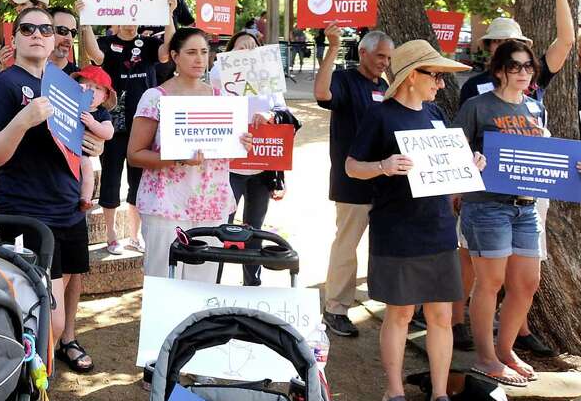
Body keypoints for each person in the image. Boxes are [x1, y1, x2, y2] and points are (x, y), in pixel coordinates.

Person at [345, 40, 477, 401]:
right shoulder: (380, 115)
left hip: (438, 227)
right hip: (396, 227)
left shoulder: (435, 113)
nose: (440, 83)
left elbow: (447, 168)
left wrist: (470, 166)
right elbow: (351, 167)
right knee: (400, 312)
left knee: (441, 313)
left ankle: (440, 394)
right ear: (411, 76)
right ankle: (394, 391)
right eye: (435, 75)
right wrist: (383, 166)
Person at [453, 39, 581, 386]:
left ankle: (506, 350)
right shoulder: (477, 107)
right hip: (486, 206)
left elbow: (544, 158)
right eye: (515, 66)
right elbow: (452, 153)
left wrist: (576, 170)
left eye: (528, 66)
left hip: (526, 207)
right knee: (490, 282)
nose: (523, 72)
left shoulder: (535, 109)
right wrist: (469, 162)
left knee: (527, 283)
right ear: (499, 70)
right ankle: (486, 357)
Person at [0, 7, 107, 374]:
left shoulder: (65, 86)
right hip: (28, 213)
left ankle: (41, 373)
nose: (37, 34)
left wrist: (95, 144)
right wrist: (22, 121)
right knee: (48, 318)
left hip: (68, 209)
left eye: (46, 29)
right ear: (14, 38)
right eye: (27, 28)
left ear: (54, 40)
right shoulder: (1, 86)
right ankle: (27, 383)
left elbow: (84, 141)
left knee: (61, 307)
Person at [127, 28, 255, 280]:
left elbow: (222, 155)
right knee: (164, 281)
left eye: (204, 52)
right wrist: (178, 157)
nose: (199, 59)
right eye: (191, 52)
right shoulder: (155, 97)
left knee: (203, 287)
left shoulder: (222, 98)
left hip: (211, 205)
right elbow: (135, 154)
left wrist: (241, 143)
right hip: (165, 206)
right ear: (175, 56)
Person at [80, 0, 176, 253]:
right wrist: (86, 21)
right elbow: (95, 55)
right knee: (111, 179)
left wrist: (169, 13)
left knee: (139, 181)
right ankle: (112, 235)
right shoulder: (107, 43)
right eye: (123, 18)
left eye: (134, 18)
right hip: (113, 125)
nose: (129, 23)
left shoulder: (148, 44)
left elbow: (167, 51)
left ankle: (134, 235)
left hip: (144, 125)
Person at [314, 24, 394, 337]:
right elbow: (322, 94)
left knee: (387, 245)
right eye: (380, 56)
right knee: (347, 246)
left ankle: (397, 306)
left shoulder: (385, 85)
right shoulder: (345, 79)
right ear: (363, 52)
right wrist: (333, 47)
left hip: (385, 180)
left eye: (388, 58)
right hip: (352, 181)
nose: (385, 62)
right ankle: (335, 308)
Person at [212, 30, 296, 286]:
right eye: (241, 48)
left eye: (252, 47)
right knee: (222, 227)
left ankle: (252, 283)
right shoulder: (219, 78)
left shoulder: (269, 82)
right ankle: (213, 281)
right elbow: (214, 79)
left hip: (261, 168)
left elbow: (285, 114)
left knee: (254, 229)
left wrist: (271, 116)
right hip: (230, 167)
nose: (247, 51)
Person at [459, 0, 573, 105]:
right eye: (497, 41)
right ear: (489, 46)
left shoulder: (535, 72)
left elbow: (566, 41)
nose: (505, 46)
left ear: (521, 45)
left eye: (510, 41)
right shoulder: (473, 86)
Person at [71, 64, 117, 214]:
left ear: (105, 96)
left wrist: (93, 124)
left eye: (98, 88)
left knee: (87, 169)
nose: (91, 90)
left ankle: (86, 198)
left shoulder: (101, 113)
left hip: (82, 153)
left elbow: (108, 133)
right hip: (64, 147)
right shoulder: (70, 103)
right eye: (87, 85)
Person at [0, 0, 51, 67]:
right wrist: (3, 64)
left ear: (39, 6)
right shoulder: (12, 33)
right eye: (17, 5)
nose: (17, 8)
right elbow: (7, 72)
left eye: (23, 4)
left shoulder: (58, 33)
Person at [50, 5, 81, 74]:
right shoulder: (28, 73)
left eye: (73, 32)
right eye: (63, 30)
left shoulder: (79, 78)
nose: (69, 38)